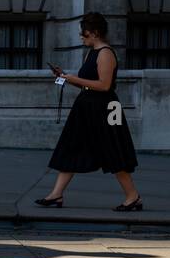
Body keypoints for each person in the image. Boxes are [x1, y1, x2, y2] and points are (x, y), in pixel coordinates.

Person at [36, 12, 142, 211]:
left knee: (114, 150)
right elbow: (88, 85)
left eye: (84, 34)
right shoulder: (91, 52)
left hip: (107, 107)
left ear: (94, 33)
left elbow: (104, 86)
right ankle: (56, 195)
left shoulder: (106, 53)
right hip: (87, 106)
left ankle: (132, 196)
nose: (81, 38)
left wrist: (71, 78)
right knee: (71, 146)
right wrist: (66, 78)